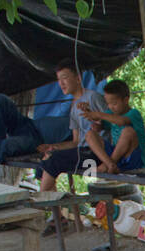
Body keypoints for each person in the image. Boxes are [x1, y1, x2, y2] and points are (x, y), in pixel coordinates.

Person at [36, 62, 109, 191]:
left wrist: (98, 122)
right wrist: (54, 147)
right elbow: (76, 142)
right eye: (59, 79)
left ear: (78, 78)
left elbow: (113, 124)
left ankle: (40, 201)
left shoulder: (94, 97)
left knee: (54, 161)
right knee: (45, 159)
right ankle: (53, 208)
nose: (61, 83)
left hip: (98, 154)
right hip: (82, 151)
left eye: (64, 78)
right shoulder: (74, 105)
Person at [78, 79, 145, 174]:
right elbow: (100, 126)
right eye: (108, 104)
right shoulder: (110, 114)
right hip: (117, 157)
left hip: (132, 158)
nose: (111, 107)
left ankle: (108, 164)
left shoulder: (134, 113)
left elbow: (121, 121)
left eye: (114, 103)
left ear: (126, 100)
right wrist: (91, 116)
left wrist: (99, 114)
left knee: (128, 131)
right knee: (90, 134)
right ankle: (109, 164)